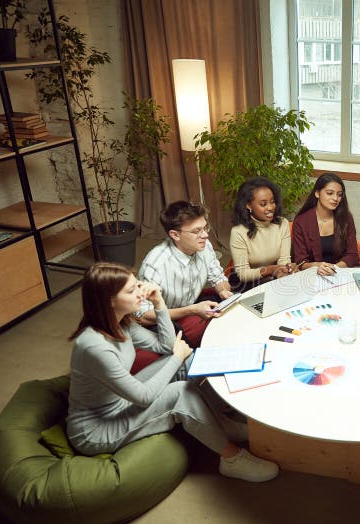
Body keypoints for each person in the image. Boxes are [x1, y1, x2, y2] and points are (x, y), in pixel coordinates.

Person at [67, 263, 279, 482]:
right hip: (96, 429)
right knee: (180, 391)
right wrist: (177, 356)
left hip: (120, 399)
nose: (140, 292)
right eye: (131, 291)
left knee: (190, 360)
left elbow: (167, 346)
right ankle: (231, 458)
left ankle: (221, 422)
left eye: (137, 285)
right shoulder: (95, 347)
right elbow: (144, 397)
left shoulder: (121, 323)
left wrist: (159, 303)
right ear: (109, 301)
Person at [136, 201, 232, 348]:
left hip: (189, 303)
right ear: (175, 235)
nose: (205, 235)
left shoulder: (204, 246)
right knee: (178, 340)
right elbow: (143, 315)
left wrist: (223, 290)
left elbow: (218, 277)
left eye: (205, 227)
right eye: (196, 231)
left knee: (226, 302)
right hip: (162, 316)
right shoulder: (155, 265)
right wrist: (191, 310)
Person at [230, 177, 299, 292]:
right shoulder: (238, 232)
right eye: (263, 204)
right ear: (249, 205)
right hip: (246, 285)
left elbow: (284, 260)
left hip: (273, 278)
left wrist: (287, 268)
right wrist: (270, 270)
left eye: (272, 202)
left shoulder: (282, 224)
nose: (270, 207)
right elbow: (243, 274)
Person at [292, 172, 359, 276]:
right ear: (317, 193)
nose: (335, 198)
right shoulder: (301, 221)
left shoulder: (346, 218)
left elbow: (353, 255)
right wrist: (317, 266)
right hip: (312, 276)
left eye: (339, 194)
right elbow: (301, 262)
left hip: (340, 273)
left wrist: (333, 268)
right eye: (330, 193)